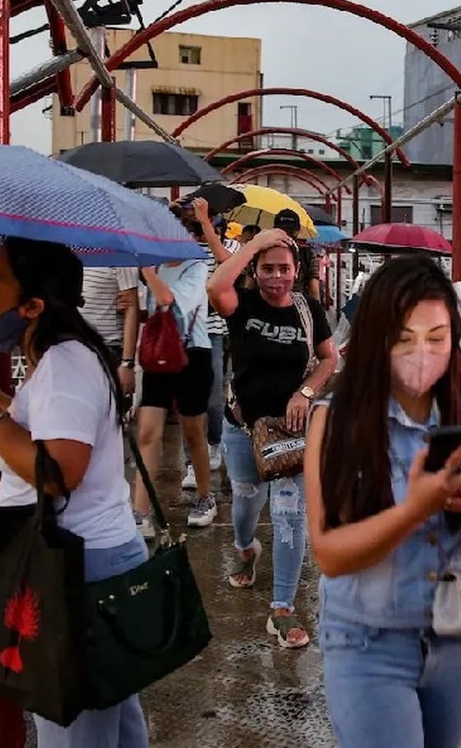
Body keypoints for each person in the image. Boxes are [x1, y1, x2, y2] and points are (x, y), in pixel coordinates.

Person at [305, 255, 461, 748]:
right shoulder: (337, 417)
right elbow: (329, 553)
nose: (421, 353)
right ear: (375, 339)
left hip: (457, 636)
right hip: (367, 643)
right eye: (403, 338)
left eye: (436, 338)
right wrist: (415, 508)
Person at [0, 237, 148, 747]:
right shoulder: (63, 358)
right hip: (91, 562)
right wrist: (1, 403)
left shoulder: (64, 364)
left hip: (79, 573)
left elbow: (59, 474)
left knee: (74, 729)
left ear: (33, 306)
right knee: (114, 726)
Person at [208, 227, 338, 649]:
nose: (276, 276)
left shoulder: (308, 309)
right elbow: (215, 284)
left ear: (297, 270)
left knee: (289, 516)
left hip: (289, 434)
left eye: (284, 268)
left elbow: (329, 358)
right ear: (256, 269)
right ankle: (246, 549)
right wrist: (256, 242)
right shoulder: (241, 305)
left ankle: (281, 608)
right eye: (268, 268)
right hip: (243, 429)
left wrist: (305, 392)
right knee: (245, 502)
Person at [133, 243, 216, 533]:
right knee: (147, 433)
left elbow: (169, 299)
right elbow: (153, 310)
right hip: (159, 355)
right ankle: (140, 511)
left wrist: (146, 272)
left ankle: (206, 496)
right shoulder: (155, 269)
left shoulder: (197, 267)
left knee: (193, 431)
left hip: (193, 355)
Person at [177, 198, 240, 488]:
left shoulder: (229, 246)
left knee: (214, 396)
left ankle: (214, 443)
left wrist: (205, 223)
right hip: (183, 333)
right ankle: (192, 461)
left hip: (213, 332)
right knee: (188, 403)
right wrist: (172, 214)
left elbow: (226, 262)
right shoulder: (183, 245)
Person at [78, 266, 139, 412]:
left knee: (108, 417)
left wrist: (127, 363)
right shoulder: (74, 250)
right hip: (74, 348)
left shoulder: (119, 252)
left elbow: (131, 306)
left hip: (108, 349)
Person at [273, 209, 322, 299]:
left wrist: (315, 310)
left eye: (291, 232)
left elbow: (314, 288)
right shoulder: (262, 251)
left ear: (298, 232)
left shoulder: (307, 254)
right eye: (283, 231)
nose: (287, 236)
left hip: (295, 305)